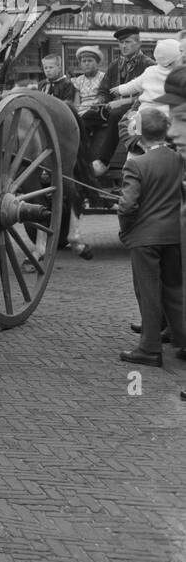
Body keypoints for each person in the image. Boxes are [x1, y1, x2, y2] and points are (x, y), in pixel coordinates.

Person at [117, 109, 186, 367]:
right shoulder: (177, 159)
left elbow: (128, 206)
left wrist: (125, 230)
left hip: (145, 239)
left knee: (148, 292)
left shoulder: (135, 164)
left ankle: (149, 348)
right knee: (174, 290)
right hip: (173, 235)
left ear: (139, 134)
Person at [91, 27, 151, 176]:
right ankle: (79, 158)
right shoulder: (114, 65)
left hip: (136, 110)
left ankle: (103, 161)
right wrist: (100, 100)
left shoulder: (149, 66)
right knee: (85, 118)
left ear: (138, 43)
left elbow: (148, 95)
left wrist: (122, 103)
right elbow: (103, 90)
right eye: (121, 42)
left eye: (128, 42)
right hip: (111, 108)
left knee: (116, 115)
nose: (124, 46)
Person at [113, 38, 182, 148]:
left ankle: (140, 144)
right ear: (172, 62)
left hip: (143, 113)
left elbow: (134, 85)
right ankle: (163, 145)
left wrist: (120, 89)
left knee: (131, 126)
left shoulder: (150, 71)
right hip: (166, 117)